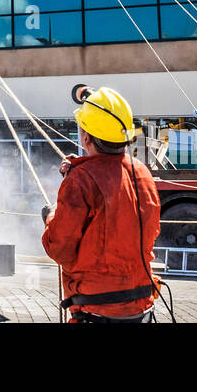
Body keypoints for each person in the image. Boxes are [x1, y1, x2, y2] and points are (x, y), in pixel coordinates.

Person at [42, 85, 162, 323]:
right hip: (141, 306)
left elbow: (59, 248)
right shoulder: (142, 173)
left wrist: (50, 217)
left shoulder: (80, 180)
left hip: (97, 308)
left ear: (86, 137)